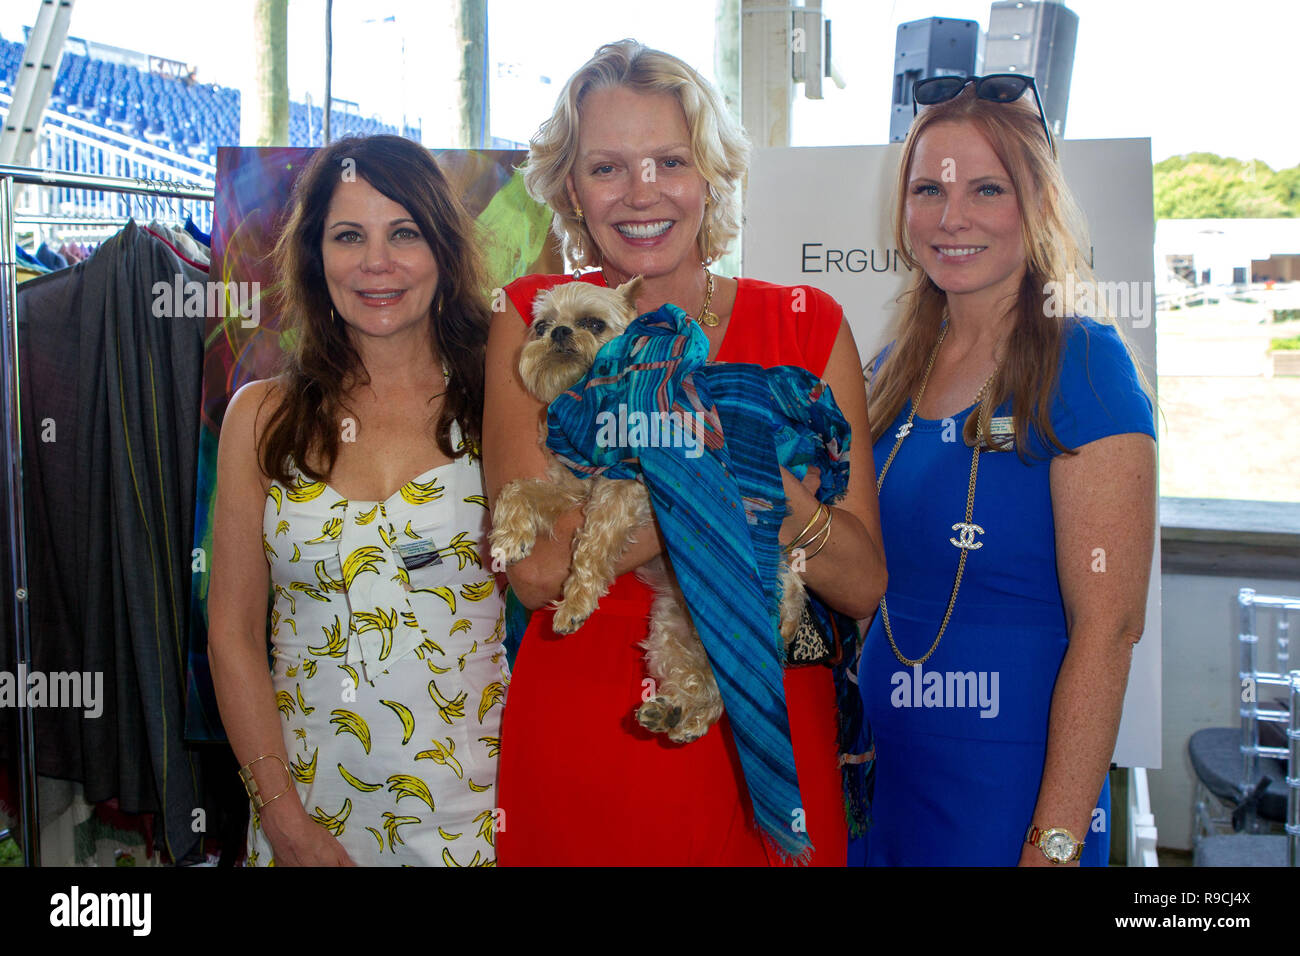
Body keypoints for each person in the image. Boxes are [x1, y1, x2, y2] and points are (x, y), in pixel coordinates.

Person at [483, 40, 887, 866]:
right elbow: (537, 571)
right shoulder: (535, 316)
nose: (643, 193)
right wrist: (720, 478)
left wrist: (736, 485)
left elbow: (860, 581)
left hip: (763, 729)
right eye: (608, 167)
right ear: (570, 187)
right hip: (586, 729)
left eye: (671, 160)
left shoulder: (807, 324)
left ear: (712, 175)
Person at [860, 77, 1157, 866]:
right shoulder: (892, 369)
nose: (951, 216)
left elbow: (1111, 629)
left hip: (1010, 793)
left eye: (986, 188)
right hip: (879, 780)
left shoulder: (1085, 363)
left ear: (1035, 203)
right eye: (929, 189)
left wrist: (1052, 845)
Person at [208, 135, 505, 866]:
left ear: (442, 246)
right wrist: (285, 823)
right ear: (316, 258)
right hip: (305, 817)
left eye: (403, 232)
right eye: (349, 236)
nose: (378, 262)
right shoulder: (259, 417)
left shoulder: (504, 404)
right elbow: (233, 635)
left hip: (476, 816)